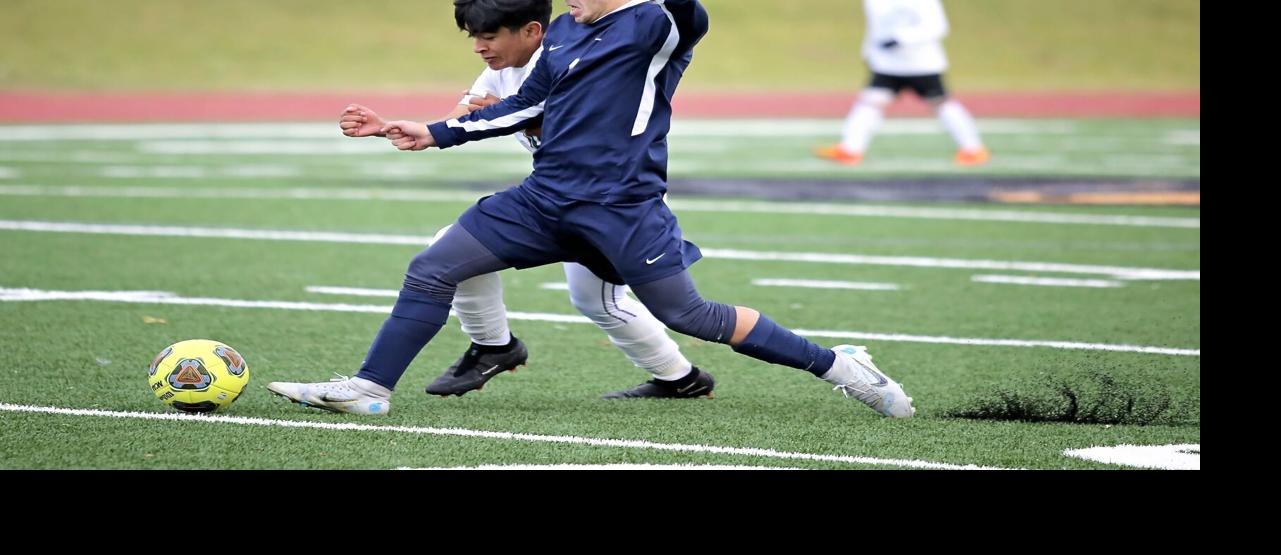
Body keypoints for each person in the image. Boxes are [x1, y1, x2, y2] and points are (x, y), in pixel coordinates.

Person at [269, 0, 914, 418]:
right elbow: (526, 105)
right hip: (544, 198)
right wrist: (433, 130)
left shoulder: (661, 22)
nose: (565, 1)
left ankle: (842, 367)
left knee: (688, 313)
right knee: (434, 266)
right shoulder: (568, 30)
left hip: (623, 209)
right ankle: (371, 389)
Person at [337, 0, 716, 400]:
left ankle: (679, 375)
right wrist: (400, 129)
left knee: (609, 301)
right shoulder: (498, 72)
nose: (479, 47)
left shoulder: (587, 55)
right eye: (474, 37)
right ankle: (494, 346)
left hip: (611, 200)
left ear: (533, 31)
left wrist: (528, 119)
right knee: (450, 255)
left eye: (489, 36)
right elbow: (459, 118)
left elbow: (590, 122)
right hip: (558, 197)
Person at [814, 0, 990, 167]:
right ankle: (850, 149)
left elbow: (937, 26)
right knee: (870, 103)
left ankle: (973, 149)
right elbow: (875, 27)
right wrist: (868, 51)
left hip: (921, 63)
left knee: (940, 102)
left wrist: (902, 38)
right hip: (887, 64)